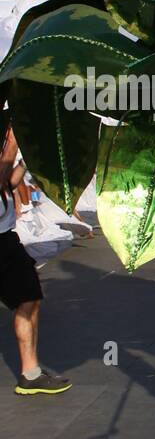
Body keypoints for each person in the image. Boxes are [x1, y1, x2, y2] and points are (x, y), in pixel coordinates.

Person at [0, 121, 71, 395]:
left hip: (6, 239)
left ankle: (30, 373)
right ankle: (30, 373)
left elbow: (9, 183)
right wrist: (15, 141)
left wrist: (27, 158)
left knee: (29, 297)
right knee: (28, 298)